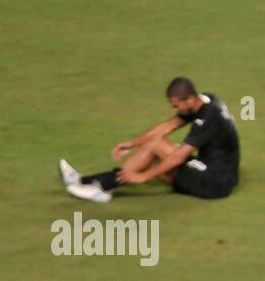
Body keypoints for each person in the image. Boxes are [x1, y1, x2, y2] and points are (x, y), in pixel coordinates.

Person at [59, 77, 240, 203]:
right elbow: (167, 127)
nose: (175, 109)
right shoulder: (205, 100)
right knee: (153, 151)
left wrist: (142, 177)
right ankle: (88, 182)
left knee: (157, 151)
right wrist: (133, 143)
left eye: (176, 105)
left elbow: (178, 157)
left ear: (190, 99)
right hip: (209, 169)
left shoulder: (208, 118)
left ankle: (98, 185)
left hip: (214, 183)